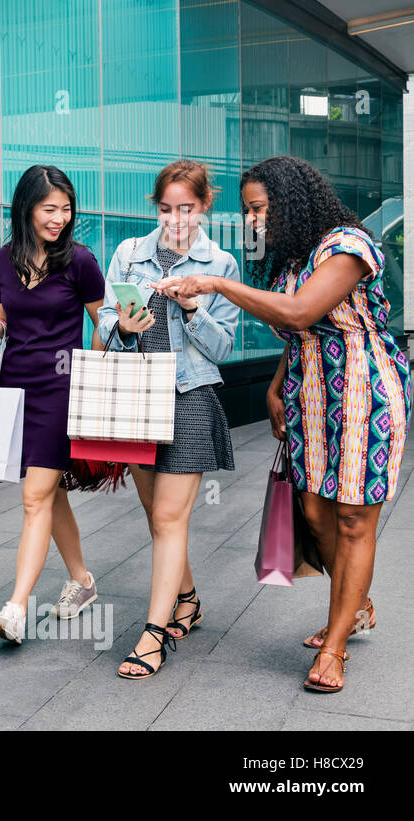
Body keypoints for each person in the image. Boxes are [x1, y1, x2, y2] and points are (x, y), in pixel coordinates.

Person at [156, 155, 410, 693]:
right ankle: (356, 603)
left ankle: (336, 645)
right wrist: (276, 384)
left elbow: (297, 312)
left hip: (365, 393)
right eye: (249, 210)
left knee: (352, 519)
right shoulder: (296, 257)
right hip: (310, 393)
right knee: (316, 513)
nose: (251, 220)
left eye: (258, 208)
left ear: (290, 201)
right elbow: (300, 330)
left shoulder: (348, 246)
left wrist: (214, 285)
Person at [97, 160, 240, 679]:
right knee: (155, 514)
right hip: (137, 398)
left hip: (189, 398)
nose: (175, 219)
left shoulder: (220, 264)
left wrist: (192, 309)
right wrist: (126, 326)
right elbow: (107, 325)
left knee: (167, 519)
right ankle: (188, 599)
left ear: (204, 206)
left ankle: (152, 637)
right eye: (165, 208)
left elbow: (223, 347)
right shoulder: (129, 254)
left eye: (186, 208)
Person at [0, 165, 106, 644]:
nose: (60, 218)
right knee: (49, 493)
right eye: (49, 208)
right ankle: (82, 580)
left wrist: (90, 374)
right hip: (17, 387)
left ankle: (15, 608)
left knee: (33, 496)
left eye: (66, 209)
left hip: (61, 389)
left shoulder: (80, 261)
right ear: (27, 209)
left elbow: (104, 321)